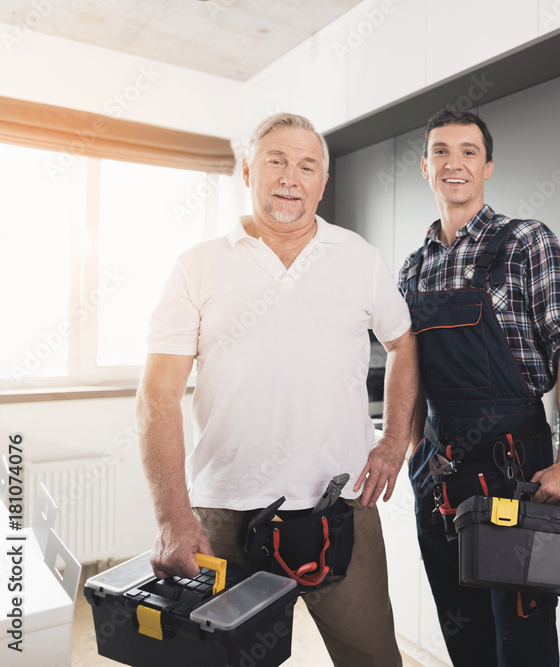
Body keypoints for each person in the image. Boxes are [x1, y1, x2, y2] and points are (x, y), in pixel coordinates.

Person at [136, 112, 417, 667]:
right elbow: (157, 395)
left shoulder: (359, 258)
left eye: (307, 165)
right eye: (277, 161)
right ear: (248, 170)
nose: (292, 177)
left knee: (374, 659)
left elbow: (405, 345)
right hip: (222, 514)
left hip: (341, 506)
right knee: (218, 660)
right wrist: (172, 517)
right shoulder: (198, 265)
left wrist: (392, 441)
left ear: (322, 182)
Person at [398, 108, 560, 667]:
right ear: (425, 166)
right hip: (440, 468)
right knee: (464, 634)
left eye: (467, 151)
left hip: (517, 464)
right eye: (440, 151)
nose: (453, 162)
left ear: (487, 167)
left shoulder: (527, 241)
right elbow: (407, 365)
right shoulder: (413, 267)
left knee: (523, 634)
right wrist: (414, 451)